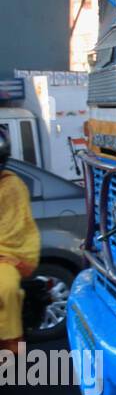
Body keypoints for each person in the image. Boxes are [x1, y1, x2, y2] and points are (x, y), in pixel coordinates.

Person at [0, 132, 40, 357]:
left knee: (5, 287)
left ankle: (11, 342)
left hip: (6, 252)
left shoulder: (12, 186)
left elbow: (12, 229)